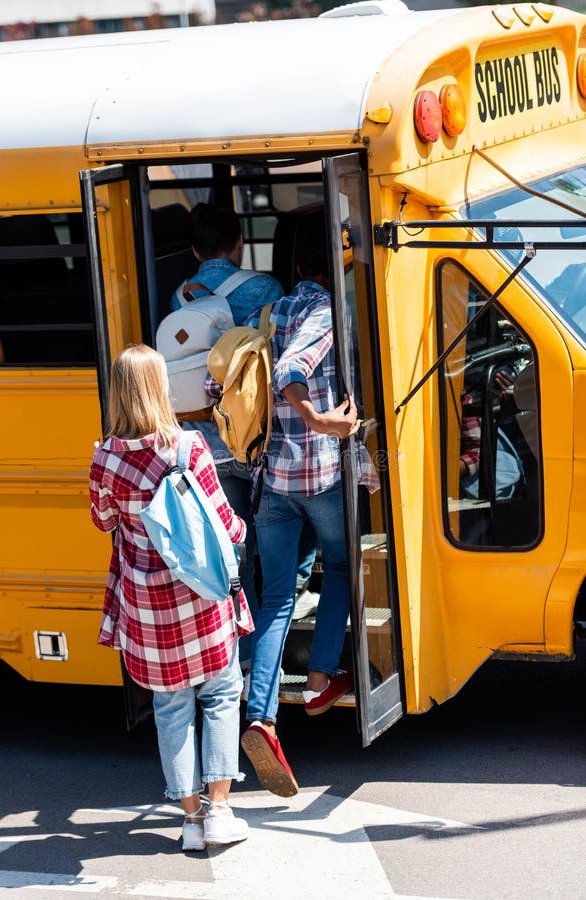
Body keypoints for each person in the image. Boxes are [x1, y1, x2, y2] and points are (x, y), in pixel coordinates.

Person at [89, 344, 254, 849]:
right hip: (200, 599)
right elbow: (225, 525)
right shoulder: (189, 447)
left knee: (171, 709)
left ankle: (190, 823)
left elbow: (103, 521)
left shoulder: (104, 458)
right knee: (223, 694)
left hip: (147, 605)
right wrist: (243, 528)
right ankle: (220, 809)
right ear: (160, 388)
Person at [240, 211, 362, 798]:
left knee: (276, 595)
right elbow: (291, 370)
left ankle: (260, 715)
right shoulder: (324, 309)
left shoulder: (278, 307)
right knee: (339, 566)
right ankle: (318, 682)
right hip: (316, 475)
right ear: (334, 254)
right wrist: (320, 420)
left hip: (273, 482)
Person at [170, 202, 284, 667]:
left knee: (232, 554)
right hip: (258, 439)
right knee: (271, 543)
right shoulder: (267, 288)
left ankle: (235, 655)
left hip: (201, 444)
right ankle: (263, 653)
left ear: (195, 249)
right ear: (240, 242)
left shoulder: (178, 296)